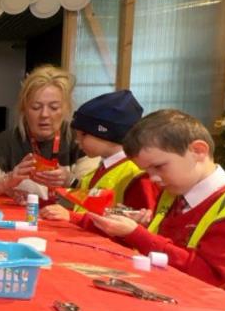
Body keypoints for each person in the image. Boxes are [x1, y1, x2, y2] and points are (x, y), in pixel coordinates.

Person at [89, 109, 225, 311]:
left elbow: (209, 277)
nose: (153, 178)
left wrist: (137, 235)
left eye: (159, 167)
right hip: (174, 301)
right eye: (147, 171)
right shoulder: (176, 192)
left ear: (198, 151)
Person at [0, 65, 95, 200]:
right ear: (24, 109)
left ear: (65, 109)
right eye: (36, 107)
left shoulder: (80, 140)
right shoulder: (8, 140)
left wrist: (70, 180)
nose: (44, 114)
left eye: (54, 107)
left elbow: (98, 193)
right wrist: (6, 181)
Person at [41, 89, 158, 226]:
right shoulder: (100, 169)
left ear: (106, 134)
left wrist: (71, 216)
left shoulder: (137, 175)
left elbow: (137, 227)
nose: (77, 140)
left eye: (83, 134)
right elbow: (84, 208)